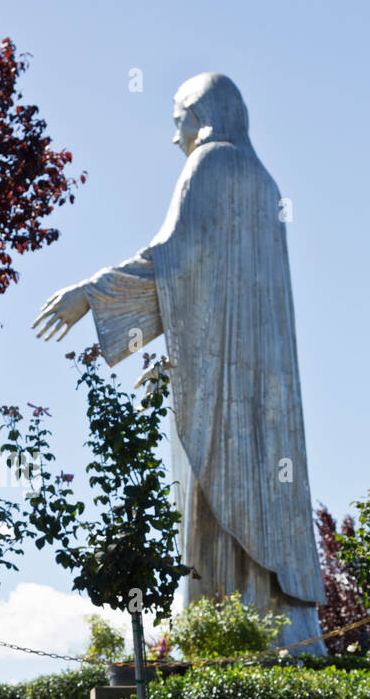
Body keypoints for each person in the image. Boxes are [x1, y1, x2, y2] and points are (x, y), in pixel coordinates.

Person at [33, 72, 325, 654]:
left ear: (202, 113)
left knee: (209, 486)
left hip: (222, 393)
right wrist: (180, 358)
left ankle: (212, 633)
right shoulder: (264, 182)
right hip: (262, 389)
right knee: (259, 484)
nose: (174, 137)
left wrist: (91, 292)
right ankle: (277, 630)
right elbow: (214, 289)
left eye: (177, 119)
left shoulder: (210, 164)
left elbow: (174, 260)